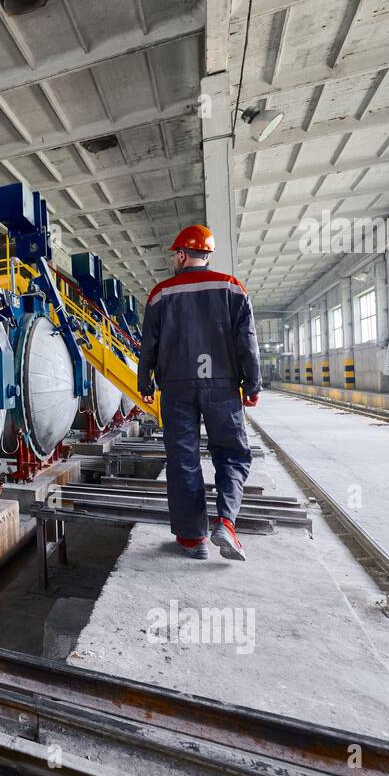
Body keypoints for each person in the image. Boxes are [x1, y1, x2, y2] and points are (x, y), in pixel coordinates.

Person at [137, 225, 262, 561]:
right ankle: (226, 522)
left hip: (176, 386)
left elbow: (148, 344)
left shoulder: (161, 293)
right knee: (232, 453)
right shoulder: (232, 288)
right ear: (207, 254)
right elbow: (247, 342)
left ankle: (193, 540)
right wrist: (252, 385)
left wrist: (144, 384)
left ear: (181, 255)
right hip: (221, 383)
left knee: (183, 460)